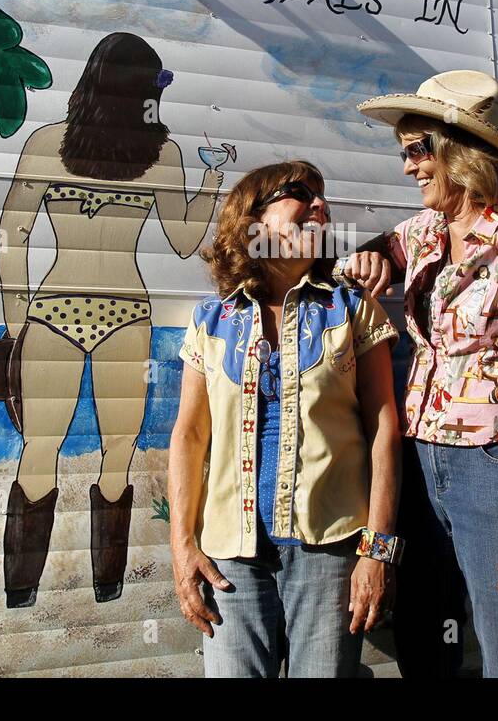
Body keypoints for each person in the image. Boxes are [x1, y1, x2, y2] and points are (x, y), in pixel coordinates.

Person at [337, 69, 498, 677]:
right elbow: (357, 256)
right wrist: (365, 256)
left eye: (417, 151)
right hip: (422, 464)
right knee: (424, 641)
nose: (407, 168)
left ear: (460, 149)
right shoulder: (421, 233)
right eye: (404, 153)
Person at [0, 32, 223, 608]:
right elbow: (184, 240)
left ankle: (22, 592)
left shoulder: (48, 143)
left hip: (53, 310)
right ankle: (107, 588)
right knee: (115, 450)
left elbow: (12, 235)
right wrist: (213, 180)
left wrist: (16, 321)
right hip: (126, 313)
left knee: (39, 448)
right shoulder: (160, 153)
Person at [168, 160, 403, 677]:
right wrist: (182, 548)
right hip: (231, 554)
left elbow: (384, 430)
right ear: (252, 218)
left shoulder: (352, 308)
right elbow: (188, 437)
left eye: (323, 197)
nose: (320, 205)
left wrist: (378, 552)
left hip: (330, 548)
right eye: (299, 193)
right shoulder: (212, 319)